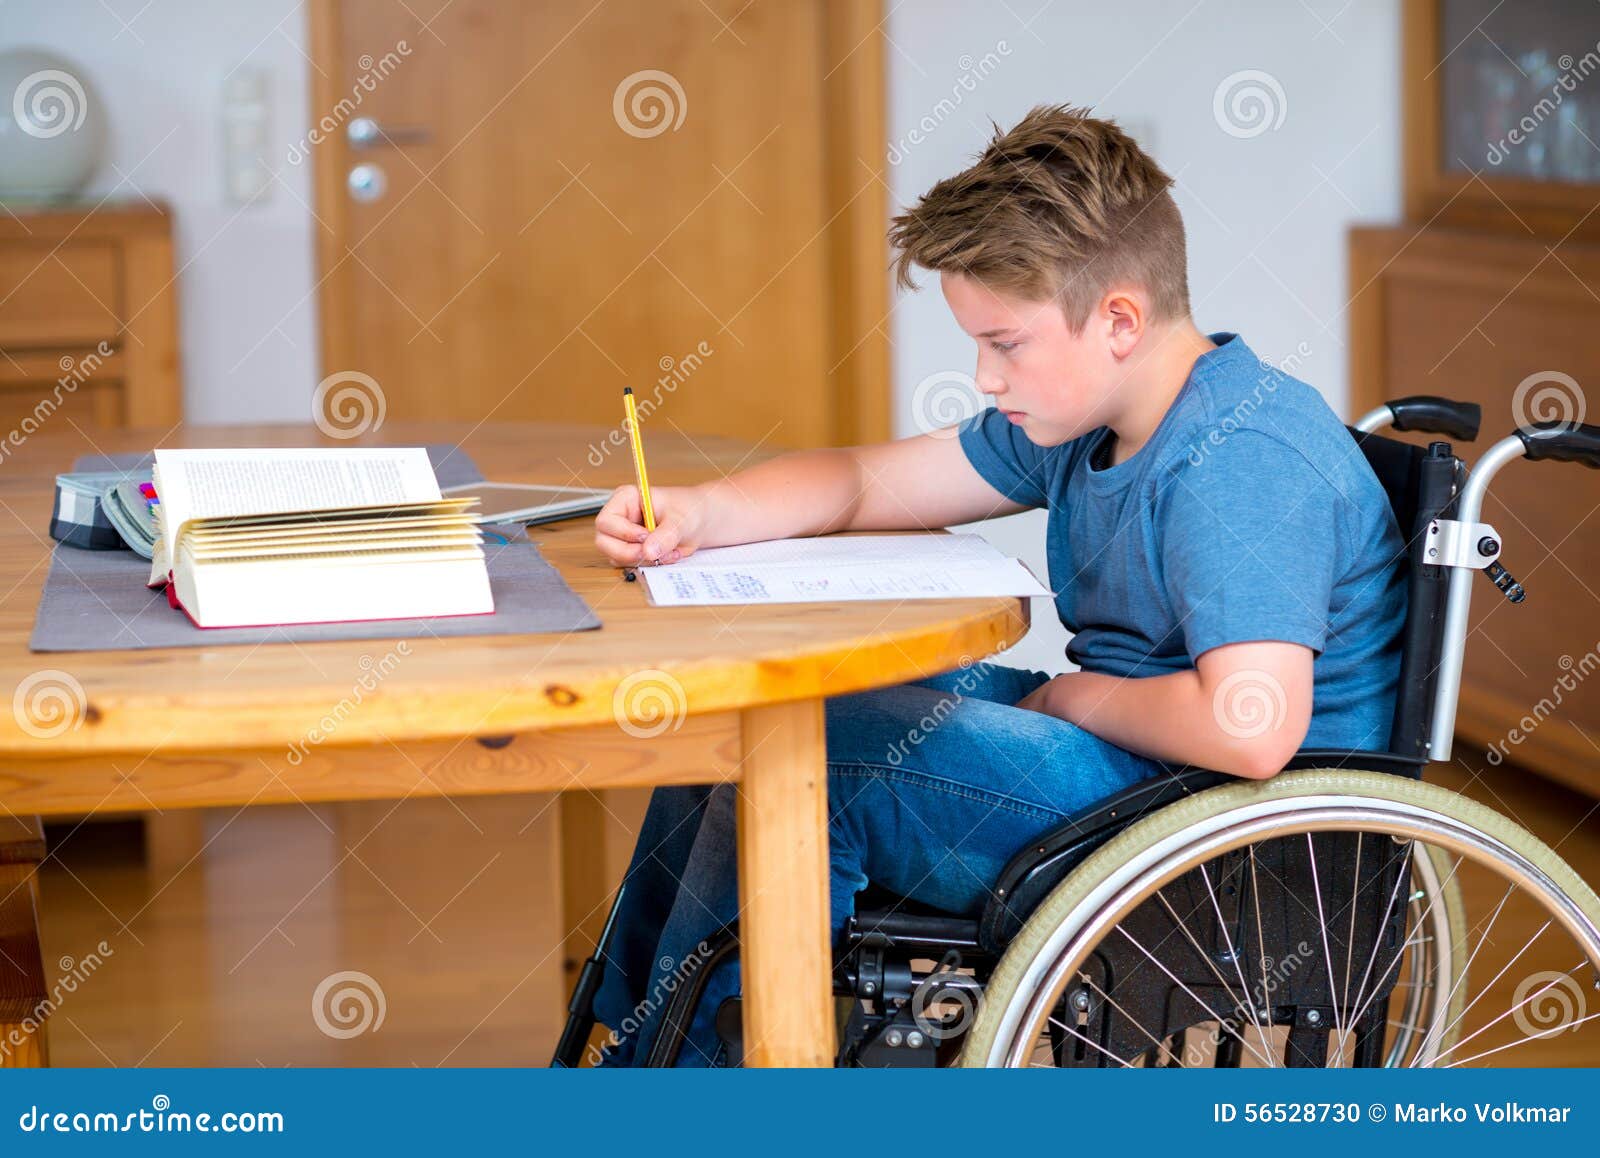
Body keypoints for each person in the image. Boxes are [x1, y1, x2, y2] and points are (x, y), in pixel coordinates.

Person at [587, 104, 1405, 1066]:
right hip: (1139, 773)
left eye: (1004, 343)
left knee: (822, 763)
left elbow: (1252, 725)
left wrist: (1075, 694)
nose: (982, 377)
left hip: (1232, 845)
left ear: (1119, 320)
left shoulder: (1239, 458)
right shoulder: (1102, 414)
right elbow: (862, 481)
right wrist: (704, 513)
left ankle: (679, 1086)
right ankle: (636, 1039)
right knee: (761, 717)